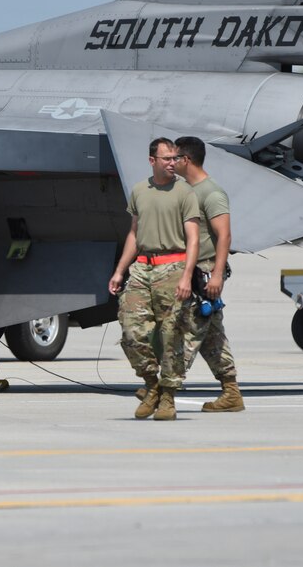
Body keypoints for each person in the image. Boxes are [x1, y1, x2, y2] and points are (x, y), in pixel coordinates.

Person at [108, 138, 200, 421]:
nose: (172, 163)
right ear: (152, 161)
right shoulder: (139, 191)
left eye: (175, 158)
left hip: (173, 267)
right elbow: (134, 234)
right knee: (131, 330)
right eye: (167, 159)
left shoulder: (185, 192)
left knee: (171, 334)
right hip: (142, 267)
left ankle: (168, 397)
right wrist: (120, 270)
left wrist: (187, 276)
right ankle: (152, 384)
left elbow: (193, 238)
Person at [172, 136, 244, 413]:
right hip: (192, 273)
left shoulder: (211, 193)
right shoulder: (188, 190)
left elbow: (224, 235)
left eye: (176, 157)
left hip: (204, 275)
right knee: (212, 335)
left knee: (187, 330)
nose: (172, 162)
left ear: (186, 160)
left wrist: (216, 275)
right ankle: (231, 392)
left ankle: (165, 386)